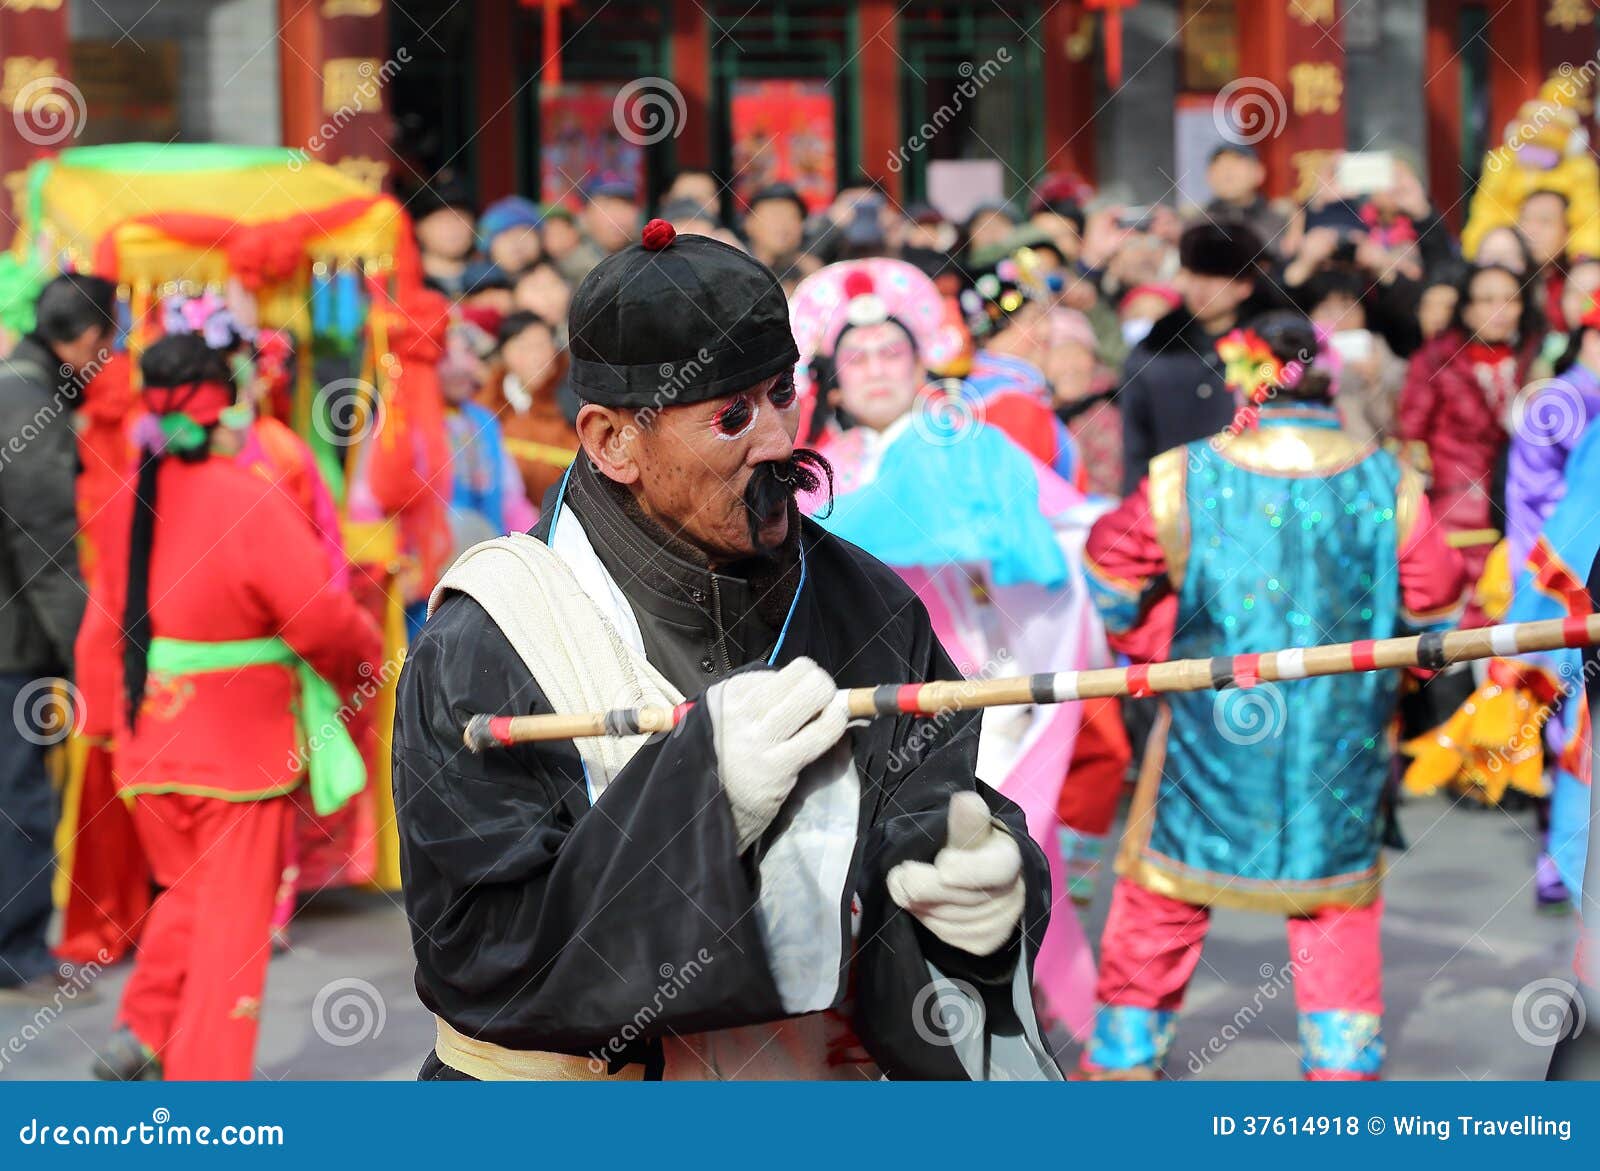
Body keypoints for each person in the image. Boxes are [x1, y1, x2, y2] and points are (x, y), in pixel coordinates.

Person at [393, 220, 1059, 1081]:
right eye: (733, 415)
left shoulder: (863, 598)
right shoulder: (488, 635)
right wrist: (701, 800)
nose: (780, 438)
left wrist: (980, 891)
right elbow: (482, 957)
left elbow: (928, 804)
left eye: (784, 391)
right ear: (612, 441)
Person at [1078, 312, 1466, 1079]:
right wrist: (1392, 680)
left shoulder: (1185, 471)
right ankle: (1341, 1070)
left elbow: (1110, 567)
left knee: (1165, 891)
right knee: (1333, 901)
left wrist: (1154, 643)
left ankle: (1122, 1059)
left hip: (1208, 723)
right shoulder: (1387, 477)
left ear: (1241, 378)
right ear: (1330, 379)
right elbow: (1433, 603)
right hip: (1341, 733)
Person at [75, 333, 380, 1080]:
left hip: (150, 746)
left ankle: (144, 1029)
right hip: (240, 752)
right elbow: (319, 620)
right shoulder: (248, 498)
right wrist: (366, 658)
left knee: (189, 894)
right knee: (231, 935)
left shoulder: (127, 500)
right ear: (228, 407)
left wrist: (113, 730)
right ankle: (209, 1107)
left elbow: (100, 626)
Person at [0, 273, 114, 1003]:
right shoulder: (28, 401)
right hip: (16, 642)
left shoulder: (18, 384)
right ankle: (19, 955)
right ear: (80, 340)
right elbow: (42, 541)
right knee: (22, 794)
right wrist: (82, 646)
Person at [1395, 263, 1544, 616]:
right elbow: (1412, 433)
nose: (1500, 311)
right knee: (1469, 618)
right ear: (1467, 308)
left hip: (1523, 509)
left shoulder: (1536, 357)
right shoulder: (1437, 358)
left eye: (1510, 300)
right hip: (1460, 511)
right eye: (1488, 300)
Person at [1117, 220, 1269, 494]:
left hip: (1258, 500)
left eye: (1214, 278)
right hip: (1173, 505)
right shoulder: (1153, 353)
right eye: (1194, 275)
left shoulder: (1271, 351)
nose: (1201, 289)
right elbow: (1136, 448)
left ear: (1244, 286)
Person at [477, 311, 579, 506]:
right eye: (523, 346)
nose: (535, 356)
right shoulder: (486, 405)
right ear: (504, 352)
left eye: (541, 345)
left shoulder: (573, 399)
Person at [1201, 143, 1289, 258]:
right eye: (1219, 165)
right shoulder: (1197, 223)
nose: (1227, 172)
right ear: (1208, 176)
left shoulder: (1283, 220)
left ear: (1259, 172)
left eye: (1235, 163)